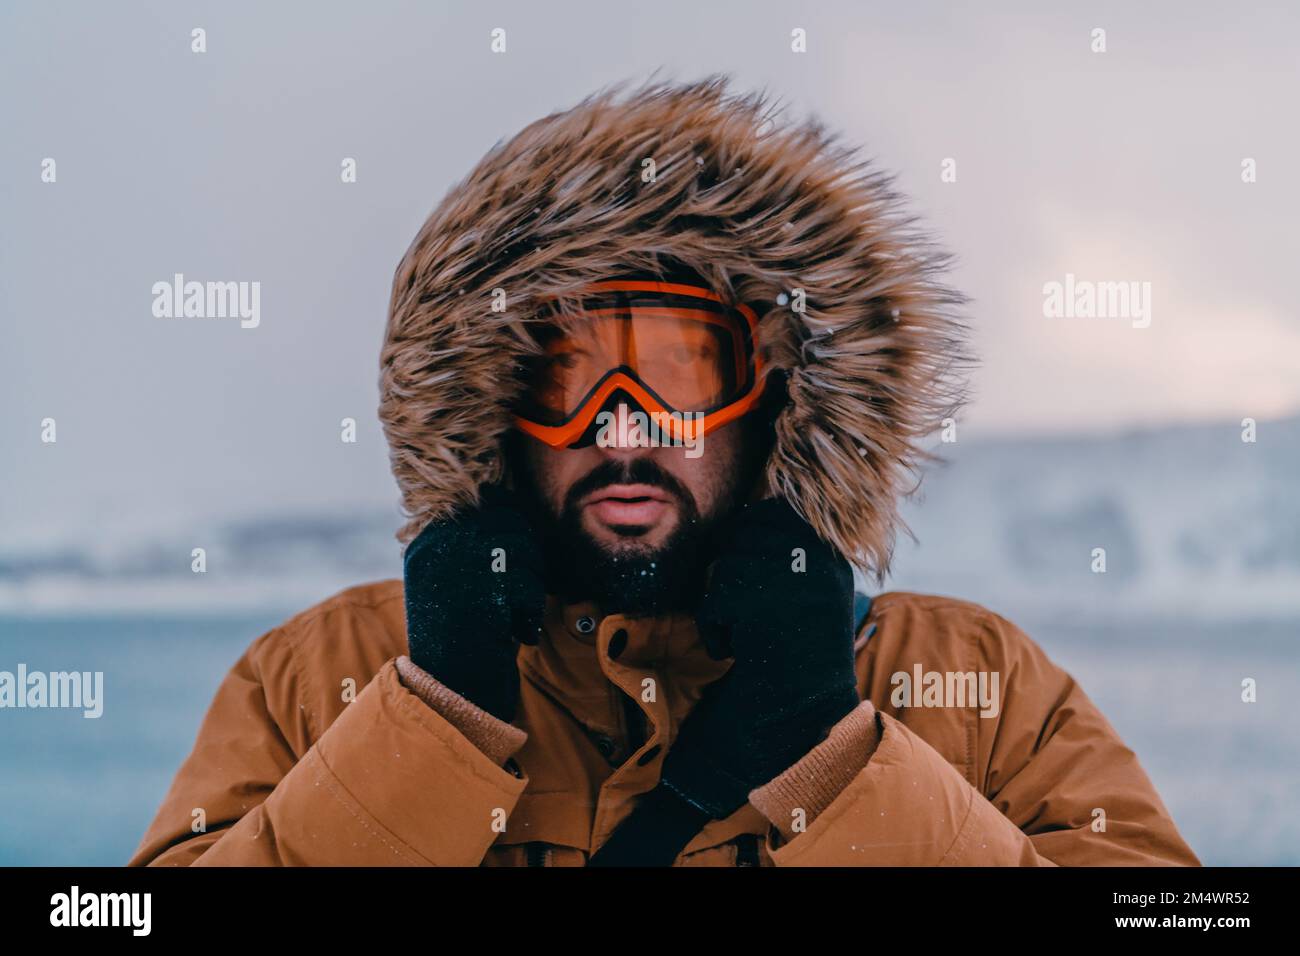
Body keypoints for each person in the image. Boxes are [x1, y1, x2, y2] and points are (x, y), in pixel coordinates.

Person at [130, 77, 1198, 867]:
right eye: (568, 375)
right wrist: (432, 729)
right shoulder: (326, 677)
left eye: (683, 368)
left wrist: (833, 757)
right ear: (495, 407)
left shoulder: (973, 685)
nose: (623, 427)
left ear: (774, 394)